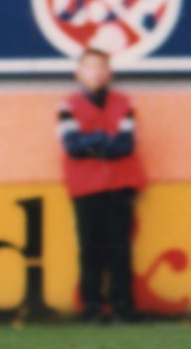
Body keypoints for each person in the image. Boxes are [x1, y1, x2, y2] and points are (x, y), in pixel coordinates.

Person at [60, 47, 145, 323]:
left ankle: (123, 307)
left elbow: (126, 144)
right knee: (90, 249)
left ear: (109, 72)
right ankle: (93, 307)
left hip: (120, 185)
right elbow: (72, 146)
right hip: (85, 188)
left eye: (100, 67)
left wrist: (92, 141)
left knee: (120, 248)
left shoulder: (125, 103)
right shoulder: (67, 106)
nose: (95, 72)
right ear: (78, 73)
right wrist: (104, 138)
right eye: (89, 67)